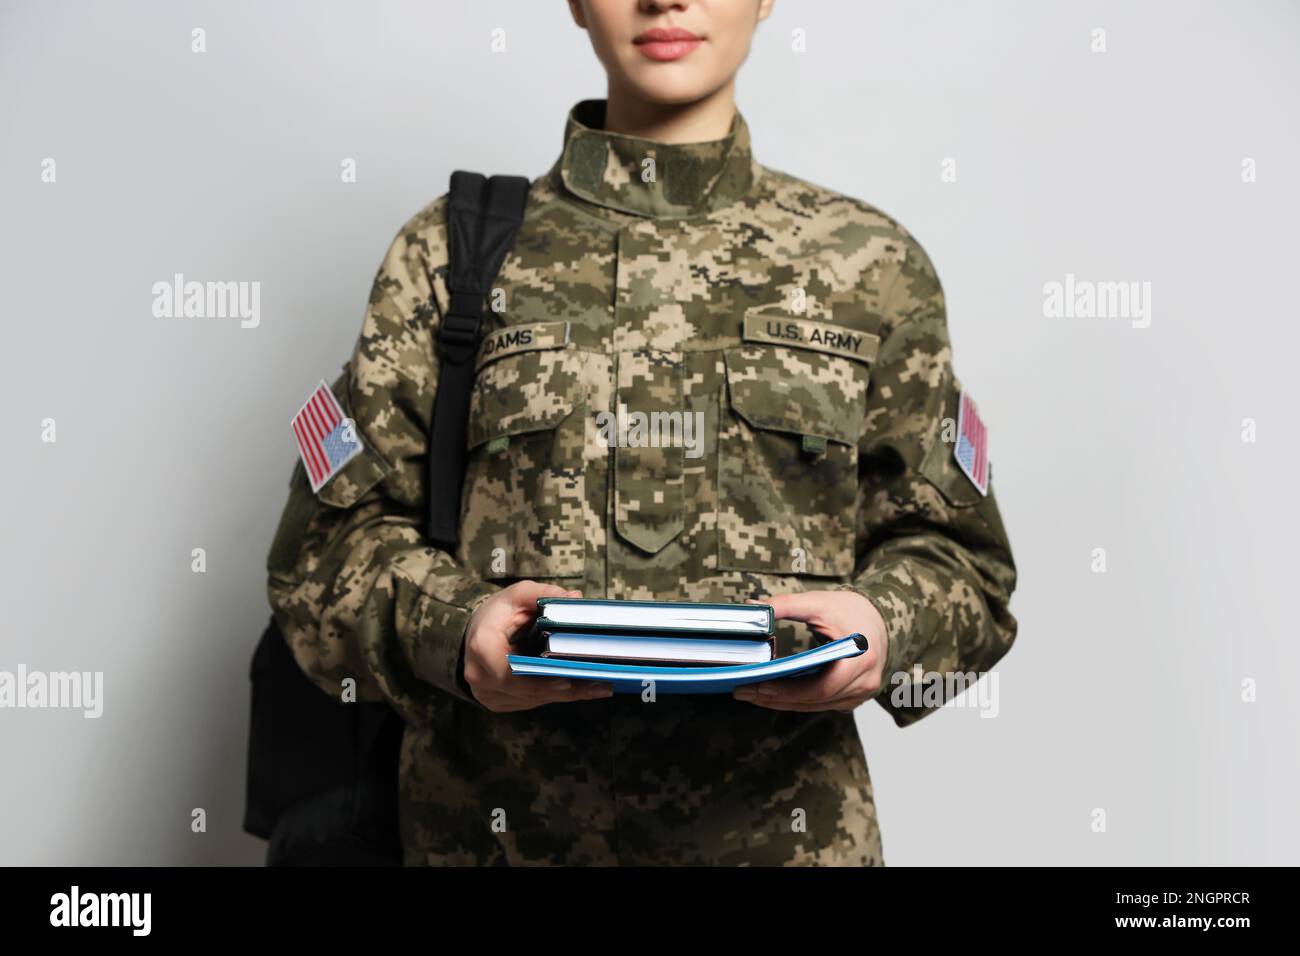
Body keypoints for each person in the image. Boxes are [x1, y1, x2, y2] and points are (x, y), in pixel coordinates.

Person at [267, 0, 1017, 866]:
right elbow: (321, 558)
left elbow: (967, 566)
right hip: (489, 839)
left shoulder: (873, 267)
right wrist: (458, 631)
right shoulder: (450, 257)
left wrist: (884, 628)